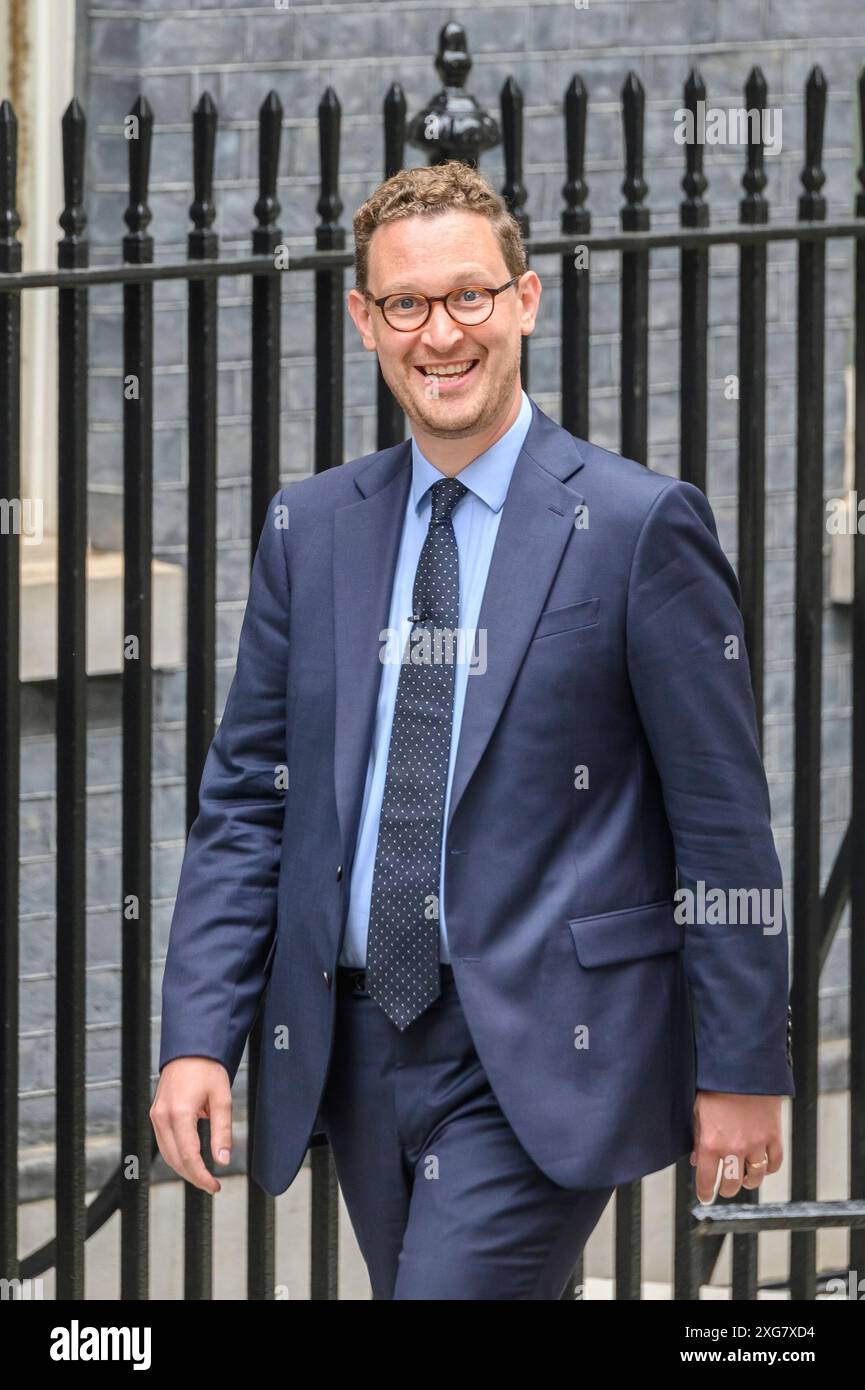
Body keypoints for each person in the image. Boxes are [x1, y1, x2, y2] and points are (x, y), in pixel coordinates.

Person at [151, 160, 795, 1301]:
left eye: (468, 297)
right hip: (352, 1045)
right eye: (406, 303)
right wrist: (198, 1035)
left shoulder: (637, 527)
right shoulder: (312, 529)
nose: (439, 333)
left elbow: (721, 818)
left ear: (526, 301)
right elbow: (249, 797)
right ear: (364, 319)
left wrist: (745, 1066)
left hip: (546, 1047)